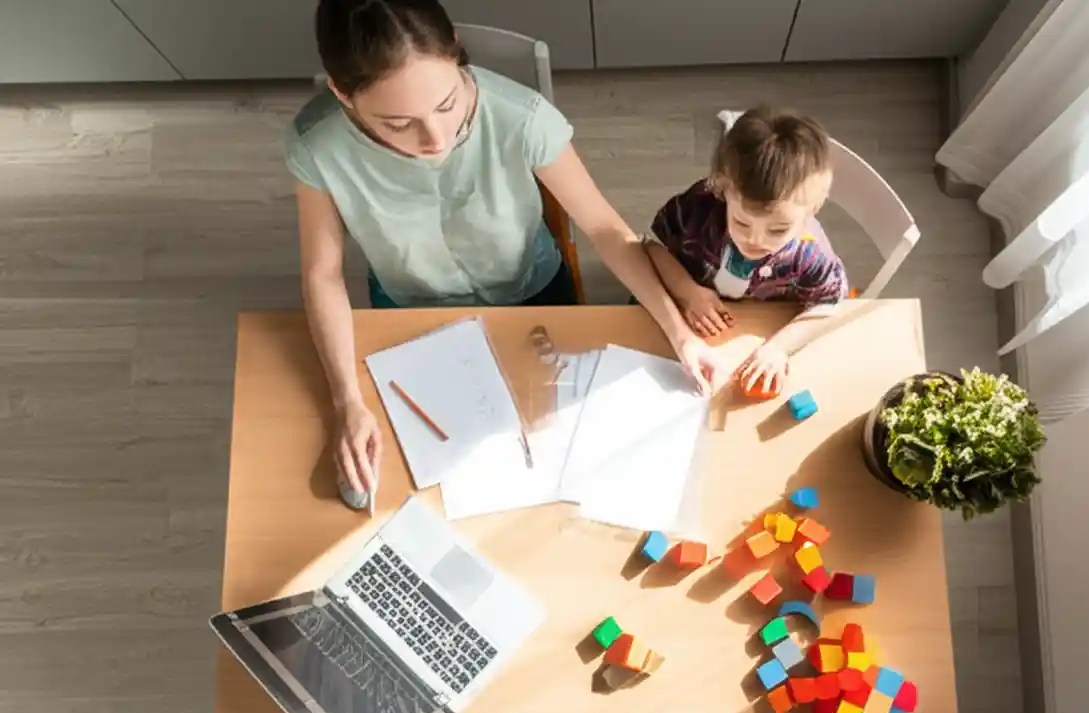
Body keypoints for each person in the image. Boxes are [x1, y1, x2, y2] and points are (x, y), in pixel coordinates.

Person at [288, 0, 728, 508]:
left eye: (447, 104)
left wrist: (680, 335)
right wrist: (346, 401)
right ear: (342, 94)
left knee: (557, 447)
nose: (435, 139)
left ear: (454, 50)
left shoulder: (522, 117)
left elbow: (607, 230)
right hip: (409, 304)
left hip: (532, 291)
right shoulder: (316, 145)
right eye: (397, 123)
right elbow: (322, 274)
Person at [643, 106, 850, 395]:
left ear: (812, 210)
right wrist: (687, 291)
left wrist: (779, 348)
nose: (756, 240)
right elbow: (651, 250)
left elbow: (830, 305)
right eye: (741, 222)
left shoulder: (810, 255)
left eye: (778, 230)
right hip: (678, 320)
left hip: (751, 335)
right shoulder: (698, 209)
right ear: (721, 190)